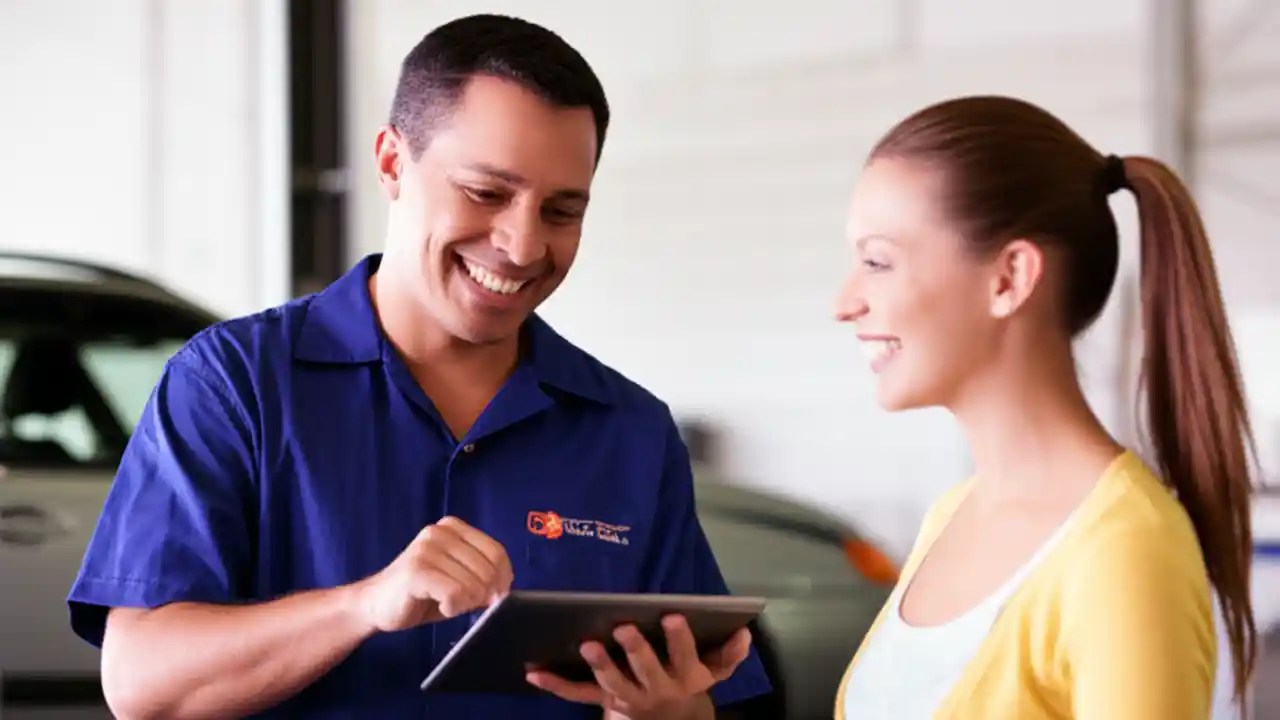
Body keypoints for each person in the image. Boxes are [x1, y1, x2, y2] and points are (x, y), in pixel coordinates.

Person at [66, 14, 770, 720]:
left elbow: (696, 699)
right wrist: (363, 605)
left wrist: (670, 713)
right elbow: (142, 687)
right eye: (486, 193)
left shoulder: (631, 432)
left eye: (561, 210)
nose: (523, 246)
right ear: (392, 162)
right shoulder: (235, 386)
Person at [831, 95, 1258, 719]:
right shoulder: (950, 516)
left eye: (877, 262)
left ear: (1009, 279)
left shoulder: (1123, 549)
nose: (845, 303)